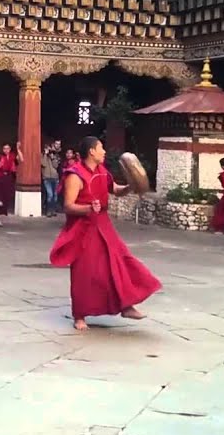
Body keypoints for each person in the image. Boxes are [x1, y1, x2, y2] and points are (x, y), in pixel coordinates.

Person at [50, 136, 161, 332]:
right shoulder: (75, 175)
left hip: (103, 224)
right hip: (83, 228)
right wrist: (87, 209)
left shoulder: (102, 171)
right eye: (101, 148)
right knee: (85, 272)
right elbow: (68, 206)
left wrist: (129, 187)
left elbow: (114, 189)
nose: (104, 151)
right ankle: (79, 315)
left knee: (120, 262)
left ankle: (126, 306)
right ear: (91, 151)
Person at [0, 141, 20, 226]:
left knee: (5, 198)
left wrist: (18, 148)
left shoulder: (13, 157)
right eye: (4, 148)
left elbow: (21, 158)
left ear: (9, 149)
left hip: (8, 178)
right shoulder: (1, 157)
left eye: (7, 148)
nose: (6, 150)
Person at [41, 145, 61, 217]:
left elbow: (56, 166)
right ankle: (48, 211)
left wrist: (52, 158)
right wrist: (45, 155)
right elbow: (43, 164)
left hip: (55, 178)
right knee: (50, 195)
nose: (49, 150)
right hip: (47, 178)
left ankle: (53, 210)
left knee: (55, 195)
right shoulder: (42, 155)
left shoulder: (55, 156)